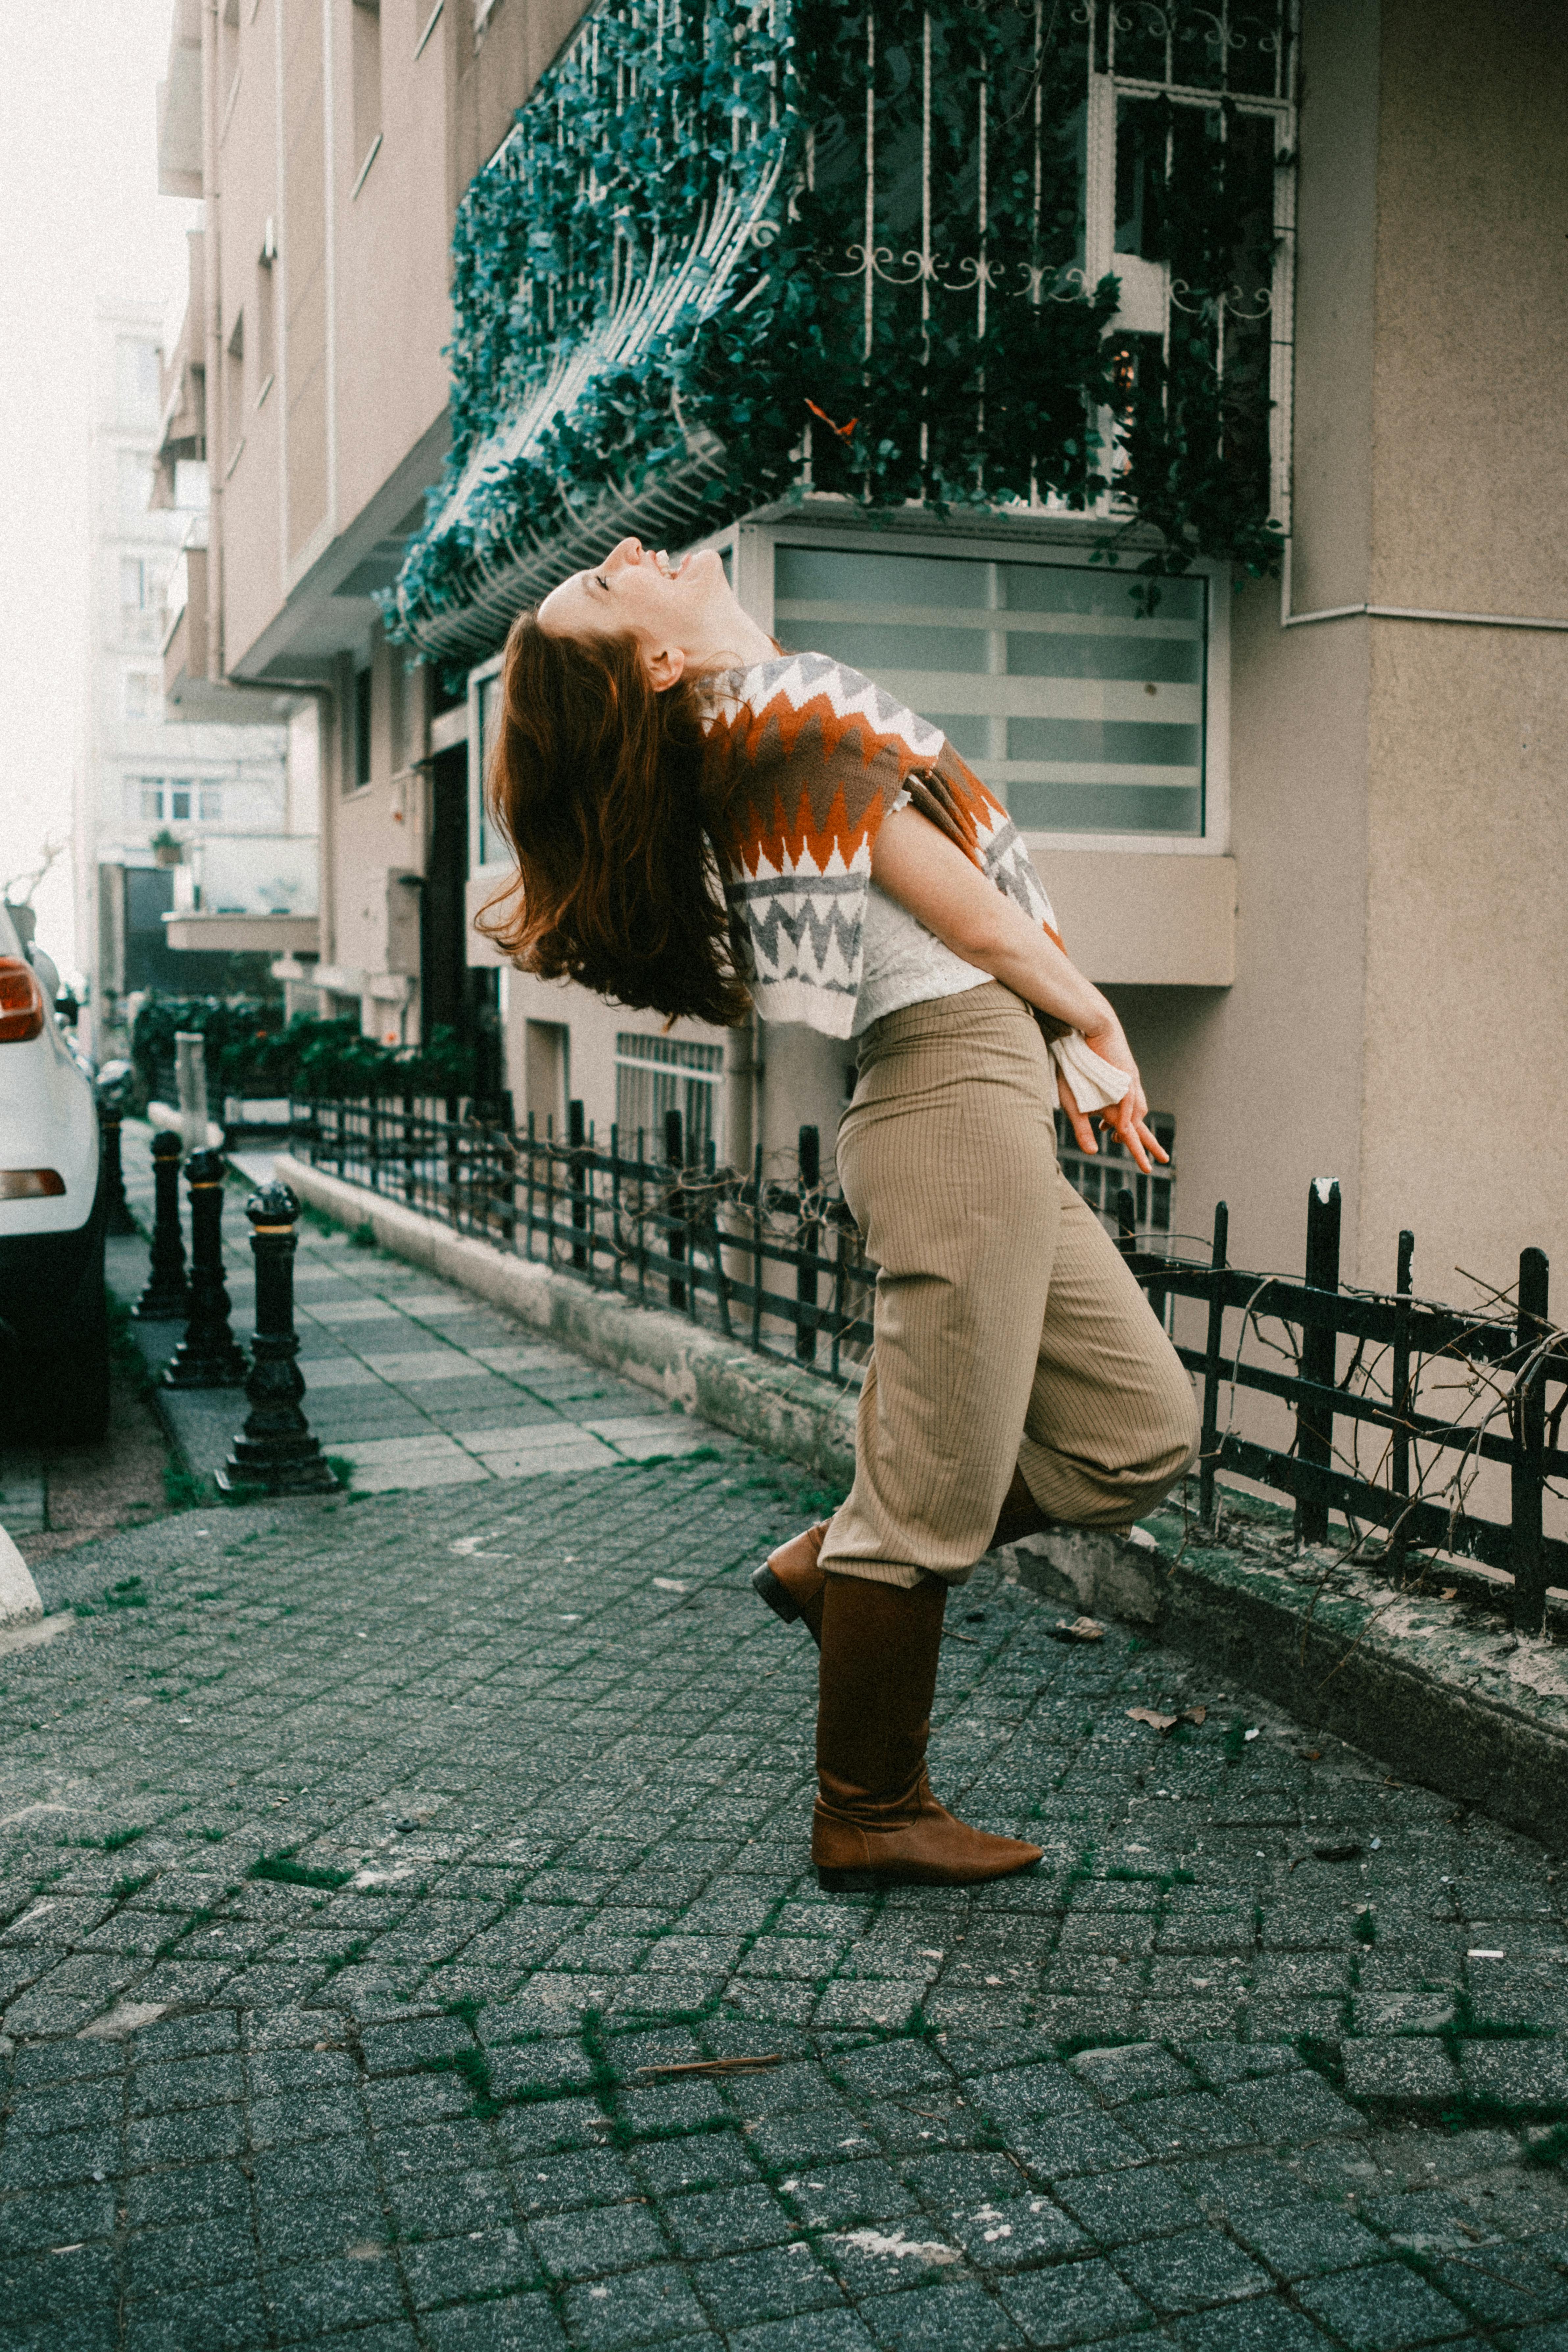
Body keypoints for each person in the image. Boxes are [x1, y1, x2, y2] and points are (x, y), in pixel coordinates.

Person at [482, 537, 1200, 1892]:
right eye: (604, 586)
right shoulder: (777, 726)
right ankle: (868, 1809)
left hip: (973, 1095)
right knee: (924, 1498)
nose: (626, 551)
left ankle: (836, 1563)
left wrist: (1054, 1044)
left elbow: (957, 930)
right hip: (947, 1100)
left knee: (1136, 1433)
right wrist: (1096, 1017)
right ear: (657, 660)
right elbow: (976, 924)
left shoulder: (767, 720)